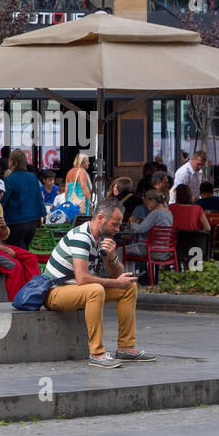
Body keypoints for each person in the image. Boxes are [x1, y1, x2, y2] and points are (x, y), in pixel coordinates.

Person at [44, 197, 154, 369]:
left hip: (78, 290)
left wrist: (112, 257)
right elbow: (83, 278)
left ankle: (126, 347)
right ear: (101, 218)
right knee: (95, 290)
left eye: (119, 225)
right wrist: (115, 283)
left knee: (128, 287)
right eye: (114, 224)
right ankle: (97, 353)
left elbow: (119, 275)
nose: (117, 230)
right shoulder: (81, 236)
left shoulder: (102, 239)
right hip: (56, 292)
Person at [2, 149, 46, 250]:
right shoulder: (33, 177)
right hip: (32, 222)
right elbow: (38, 198)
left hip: (15, 222)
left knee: (18, 254)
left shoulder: (9, 179)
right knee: (25, 250)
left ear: (13, 162)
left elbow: (3, 201)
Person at [124, 190, 174, 269]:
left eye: (147, 203)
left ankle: (124, 278)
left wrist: (132, 222)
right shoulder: (169, 213)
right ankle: (130, 277)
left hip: (152, 251)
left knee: (121, 251)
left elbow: (139, 230)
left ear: (153, 201)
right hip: (165, 251)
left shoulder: (155, 213)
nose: (146, 206)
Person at [65, 151, 93, 217]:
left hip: (70, 202)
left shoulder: (70, 172)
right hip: (81, 203)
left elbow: (66, 189)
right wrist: (90, 201)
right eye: (87, 161)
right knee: (82, 222)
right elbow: (84, 187)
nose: (89, 163)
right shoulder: (81, 171)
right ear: (83, 162)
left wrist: (66, 201)